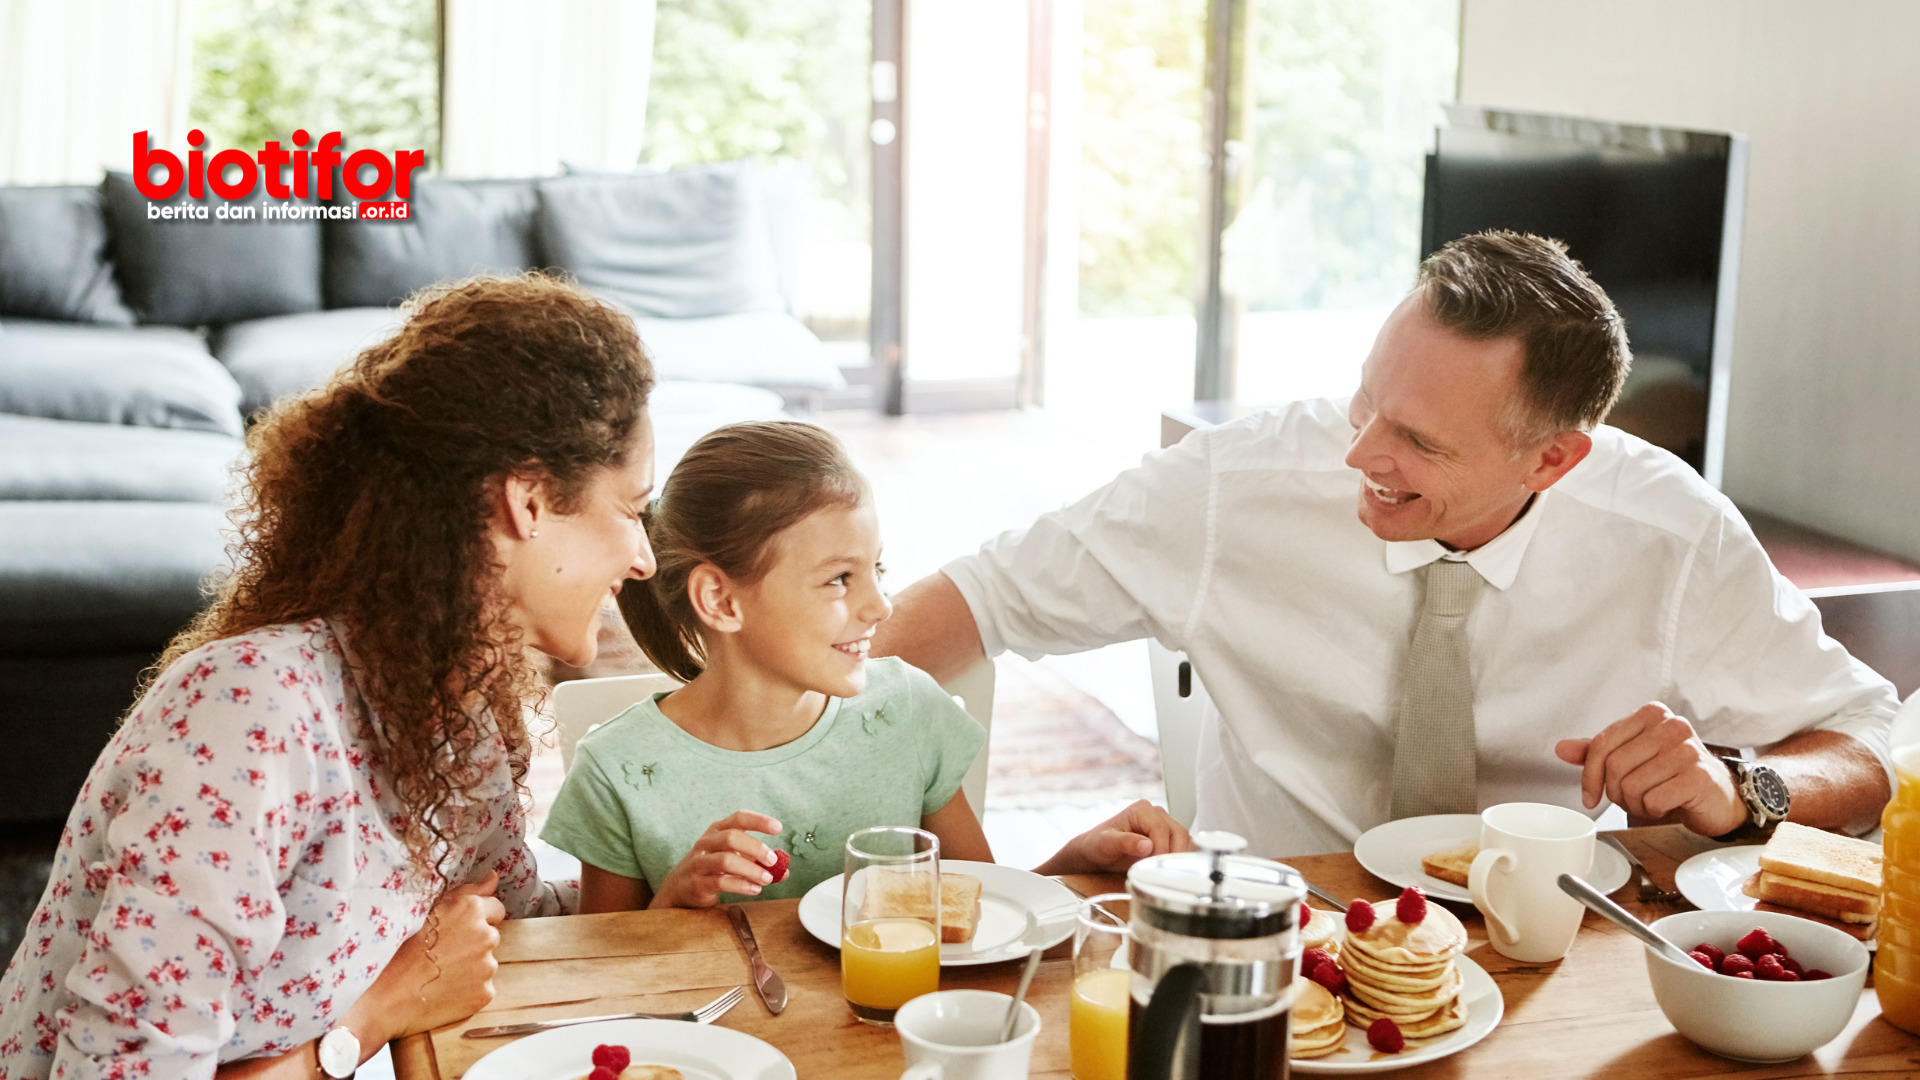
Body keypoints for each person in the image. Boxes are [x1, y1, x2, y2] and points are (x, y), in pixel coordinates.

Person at [874, 231, 1896, 857]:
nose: (1360, 451)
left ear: (1551, 461)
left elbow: (1866, 740)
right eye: (1367, 400)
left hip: (1544, 940)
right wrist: (754, 748)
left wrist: (1740, 790)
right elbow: (975, 599)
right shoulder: (1240, 483)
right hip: (1279, 926)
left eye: (1417, 439)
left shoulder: (1670, 536)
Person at [0, 275, 658, 1078]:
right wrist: (372, 1019)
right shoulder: (250, 715)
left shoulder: (455, 711)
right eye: (631, 509)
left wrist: (663, 894)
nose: (643, 556)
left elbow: (501, 929)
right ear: (527, 501)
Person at [539, 421, 1191, 912]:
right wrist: (674, 902)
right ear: (721, 600)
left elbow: (979, 909)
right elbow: (611, 981)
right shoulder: (618, 772)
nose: (879, 605)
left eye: (875, 570)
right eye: (838, 580)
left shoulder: (907, 710)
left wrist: (1076, 860)